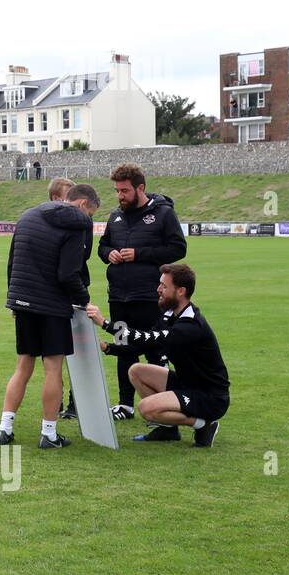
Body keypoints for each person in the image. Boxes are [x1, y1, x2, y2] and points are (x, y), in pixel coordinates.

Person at [0, 183, 100, 449]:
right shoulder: (76, 225)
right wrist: (84, 300)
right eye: (91, 213)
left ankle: (4, 428)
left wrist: (13, 299)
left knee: (23, 366)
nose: (89, 220)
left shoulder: (28, 215)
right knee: (52, 368)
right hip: (52, 304)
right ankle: (49, 433)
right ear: (83, 204)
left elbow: (12, 262)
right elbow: (68, 274)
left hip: (22, 300)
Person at [86, 264, 228, 446]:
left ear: (181, 291)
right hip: (187, 384)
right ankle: (168, 429)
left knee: (146, 409)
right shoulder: (170, 315)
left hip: (209, 397)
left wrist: (105, 323)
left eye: (164, 286)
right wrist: (107, 347)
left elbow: (147, 337)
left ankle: (203, 425)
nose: (158, 289)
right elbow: (143, 344)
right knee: (136, 371)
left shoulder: (191, 325)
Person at [97, 163, 187, 421]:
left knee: (155, 350)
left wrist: (140, 254)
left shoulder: (163, 213)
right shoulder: (115, 216)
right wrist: (109, 254)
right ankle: (125, 405)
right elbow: (102, 246)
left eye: (125, 190)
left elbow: (178, 248)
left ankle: (164, 407)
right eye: (117, 191)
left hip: (150, 297)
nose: (120, 196)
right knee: (124, 347)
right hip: (119, 296)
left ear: (140, 188)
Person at [47, 178, 80, 419]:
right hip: (53, 299)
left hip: (74, 294)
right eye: (70, 196)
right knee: (52, 357)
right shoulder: (46, 223)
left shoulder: (78, 223)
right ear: (56, 198)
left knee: (78, 353)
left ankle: (76, 403)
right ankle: (55, 403)